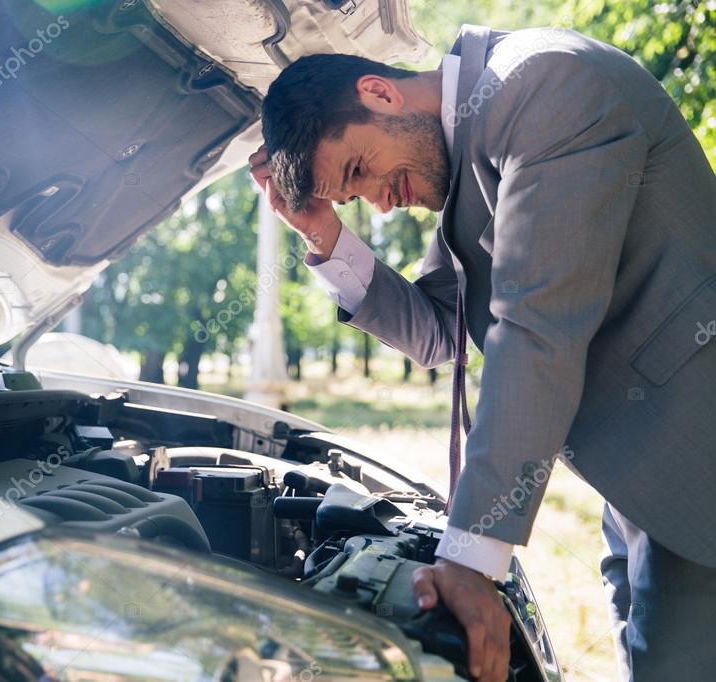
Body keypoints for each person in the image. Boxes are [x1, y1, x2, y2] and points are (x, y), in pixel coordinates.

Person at [249, 24, 716, 682]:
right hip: (635, 483)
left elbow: (536, 323)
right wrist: (326, 238)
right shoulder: (465, 156)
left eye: (359, 172)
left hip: (695, 457)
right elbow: (439, 330)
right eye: (356, 198)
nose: (381, 205)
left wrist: (469, 558)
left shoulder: (540, 85)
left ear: (379, 94)